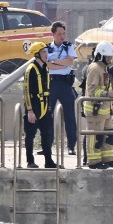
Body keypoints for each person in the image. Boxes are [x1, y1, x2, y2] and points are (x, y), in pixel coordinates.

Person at [46, 21, 78, 157]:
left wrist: (55, 63)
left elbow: (71, 61)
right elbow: (47, 65)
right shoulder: (47, 48)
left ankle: (71, 146)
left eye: (63, 33)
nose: (62, 36)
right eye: (59, 34)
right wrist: (60, 64)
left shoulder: (68, 46)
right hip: (52, 84)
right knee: (48, 115)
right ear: (53, 34)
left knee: (70, 116)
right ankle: (47, 144)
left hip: (65, 84)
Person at [84, 41, 113, 169]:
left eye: (110, 56)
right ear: (100, 55)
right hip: (95, 110)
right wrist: (107, 93)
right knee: (95, 137)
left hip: (105, 110)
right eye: (108, 56)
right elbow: (92, 91)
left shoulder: (103, 68)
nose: (110, 59)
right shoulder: (94, 68)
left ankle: (108, 159)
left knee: (109, 136)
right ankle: (94, 161)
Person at [22, 41, 56, 169]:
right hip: (34, 107)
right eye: (43, 52)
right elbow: (26, 91)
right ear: (37, 54)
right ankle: (30, 161)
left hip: (45, 107)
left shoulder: (45, 68)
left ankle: (49, 161)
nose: (46, 54)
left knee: (46, 134)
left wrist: (49, 107)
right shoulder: (30, 69)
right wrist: (30, 110)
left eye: (46, 52)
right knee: (30, 135)